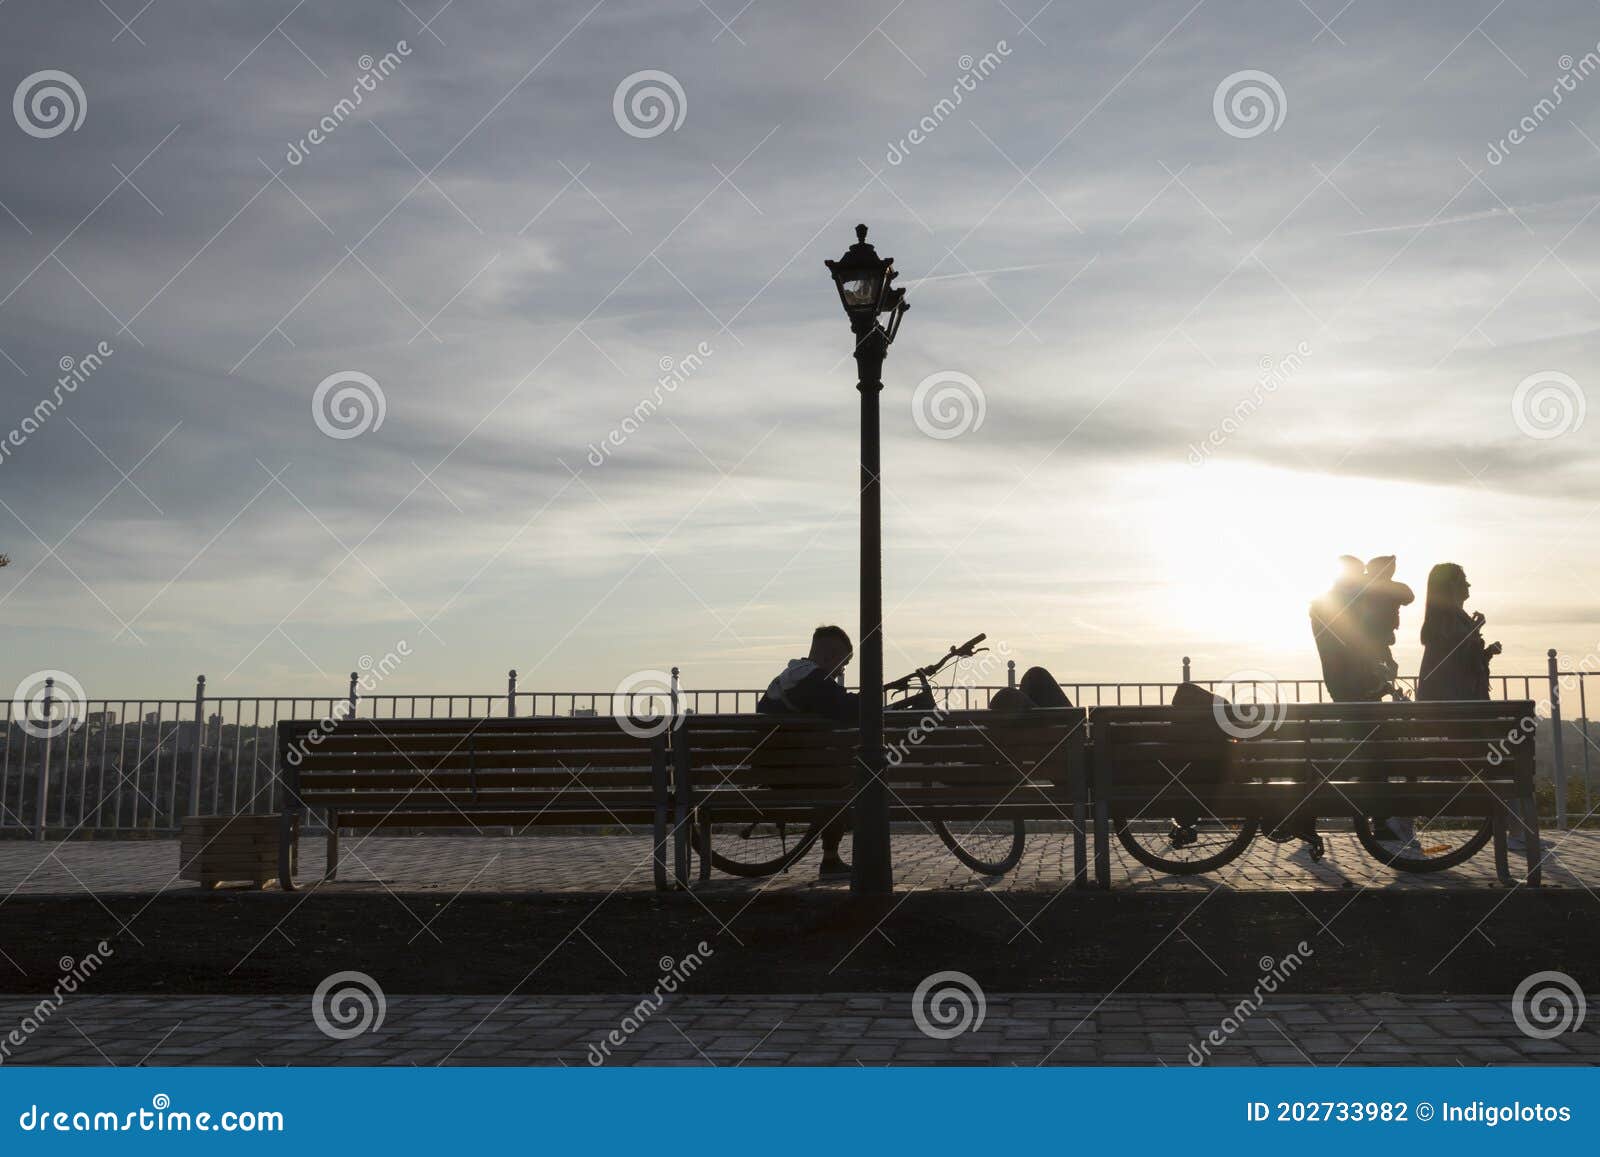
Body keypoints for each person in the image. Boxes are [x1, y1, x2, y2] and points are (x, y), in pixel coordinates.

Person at [757, 625, 857, 877]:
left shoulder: (790, 676)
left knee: (840, 770)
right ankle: (831, 859)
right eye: (842, 663)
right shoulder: (815, 680)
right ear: (828, 656)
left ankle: (834, 853)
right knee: (849, 777)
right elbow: (845, 710)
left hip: (773, 769)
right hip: (794, 774)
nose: (842, 671)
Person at [1310, 555, 1415, 702]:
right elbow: (1357, 641)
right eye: (1359, 575)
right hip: (1351, 685)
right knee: (1364, 720)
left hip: (1356, 683)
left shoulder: (1338, 602)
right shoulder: (1331, 606)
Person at [1418, 563, 1499, 701]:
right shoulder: (1445, 618)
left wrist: (1488, 651)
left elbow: (1465, 657)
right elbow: (1459, 657)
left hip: (1454, 698)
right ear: (1451, 585)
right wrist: (1475, 629)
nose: (1468, 585)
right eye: (1463, 580)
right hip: (1452, 699)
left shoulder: (1447, 617)